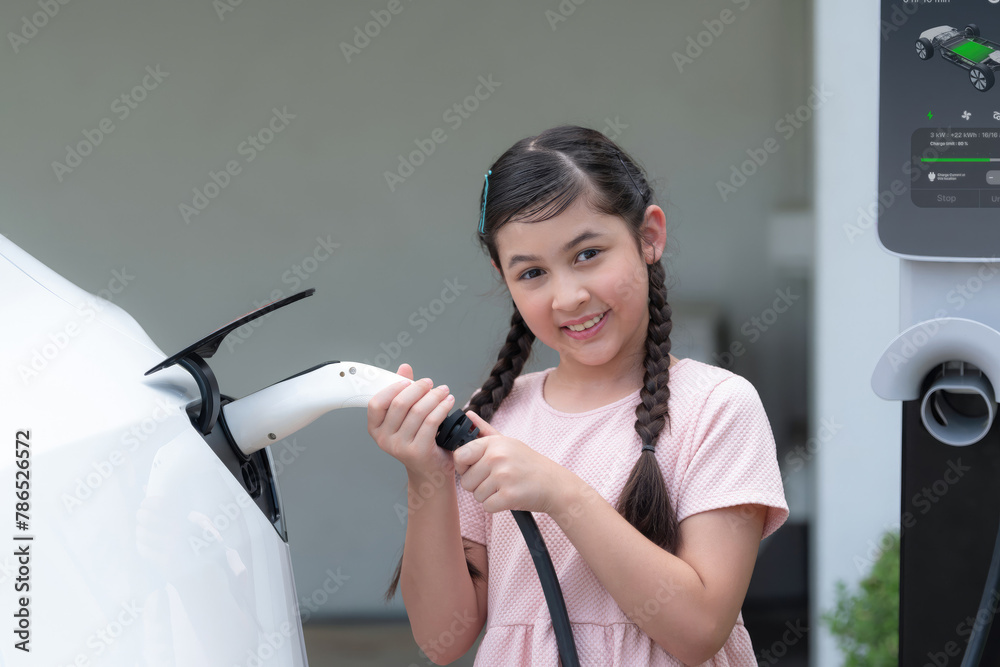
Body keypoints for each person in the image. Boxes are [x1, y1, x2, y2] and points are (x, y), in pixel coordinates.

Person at [367, 124, 789, 666]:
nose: (568, 296)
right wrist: (426, 475)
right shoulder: (494, 414)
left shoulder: (718, 407)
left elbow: (699, 629)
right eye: (533, 272)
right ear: (504, 278)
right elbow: (443, 640)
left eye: (588, 254)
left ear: (648, 236)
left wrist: (561, 494)